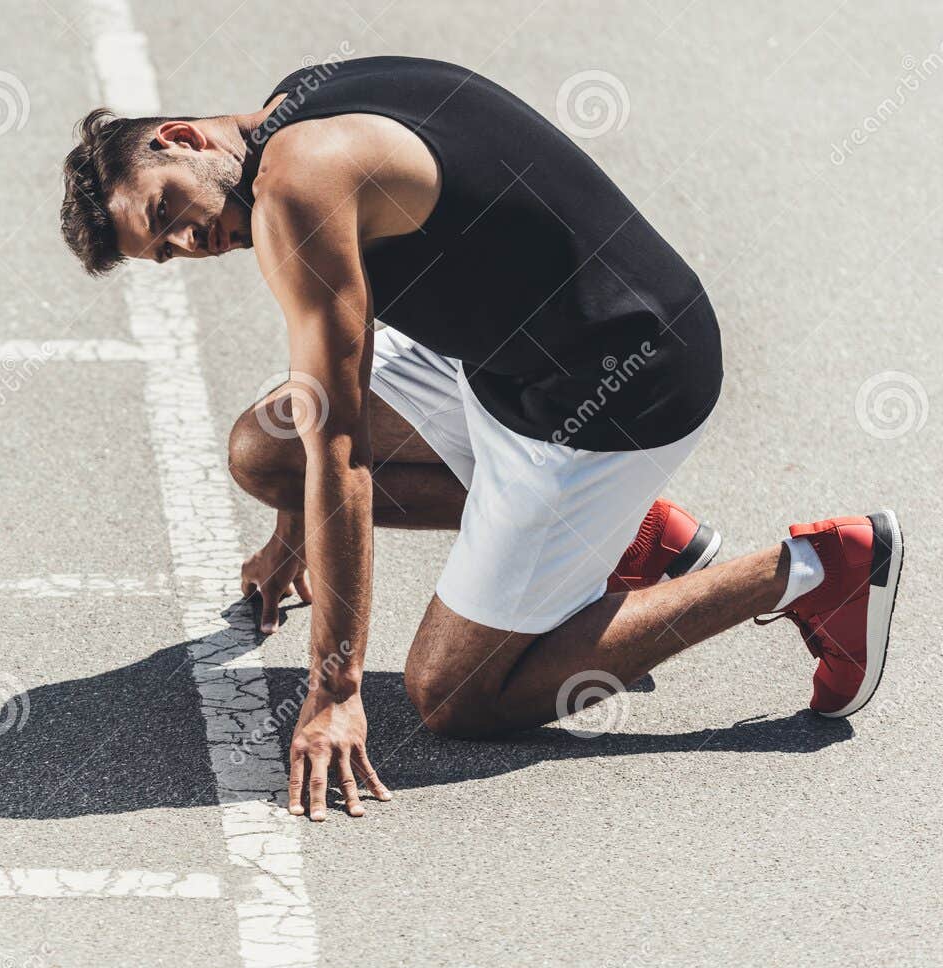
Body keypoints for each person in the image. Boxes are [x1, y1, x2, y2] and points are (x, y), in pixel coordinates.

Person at [57, 55, 902, 820]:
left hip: (622, 383)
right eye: (163, 250)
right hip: (505, 361)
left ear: (180, 138)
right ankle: (628, 537)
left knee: (456, 696)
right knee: (265, 450)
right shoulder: (302, 101)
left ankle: (814, 571)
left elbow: (343, 449)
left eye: (168, 209)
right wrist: (291, 528)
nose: (189, 241)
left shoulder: (295, 189)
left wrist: (335, 688)